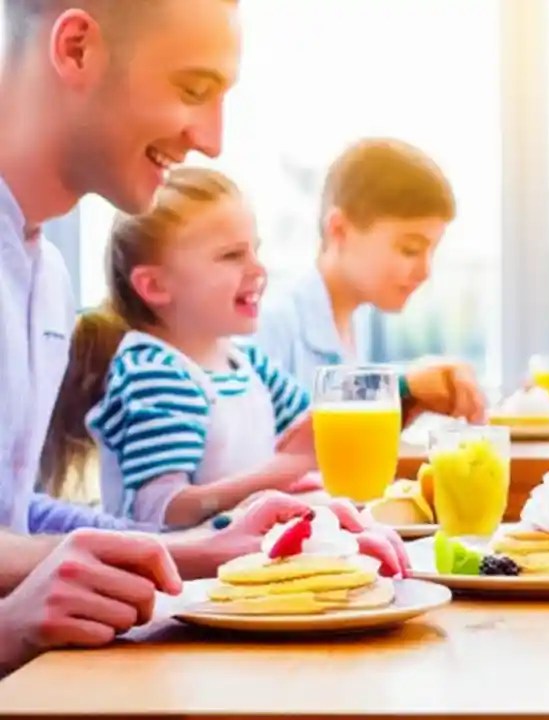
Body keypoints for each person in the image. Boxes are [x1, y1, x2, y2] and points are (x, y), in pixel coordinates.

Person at [0, 0, 404, 675]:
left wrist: (204, 546)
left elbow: (14, 521)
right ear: (75, 49)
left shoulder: (46, 278)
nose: (213, 141)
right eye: (193, 90)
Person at [45, 167, 327, 529]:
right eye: (231, 255)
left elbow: (312, 435)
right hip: (173, 581)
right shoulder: (153, 371)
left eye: (255, 251)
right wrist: (283, 470)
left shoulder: (247, 364)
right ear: (155, 286)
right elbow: (162, 510)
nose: (258, 269)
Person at [254, 137, 485, 424]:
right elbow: (298, 433)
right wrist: (400, 387)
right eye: (410, 249)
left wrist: (410, 398)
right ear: (339, 230)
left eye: (432, 251)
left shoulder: (357, 320)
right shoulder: (271, 325)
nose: (425, 271)